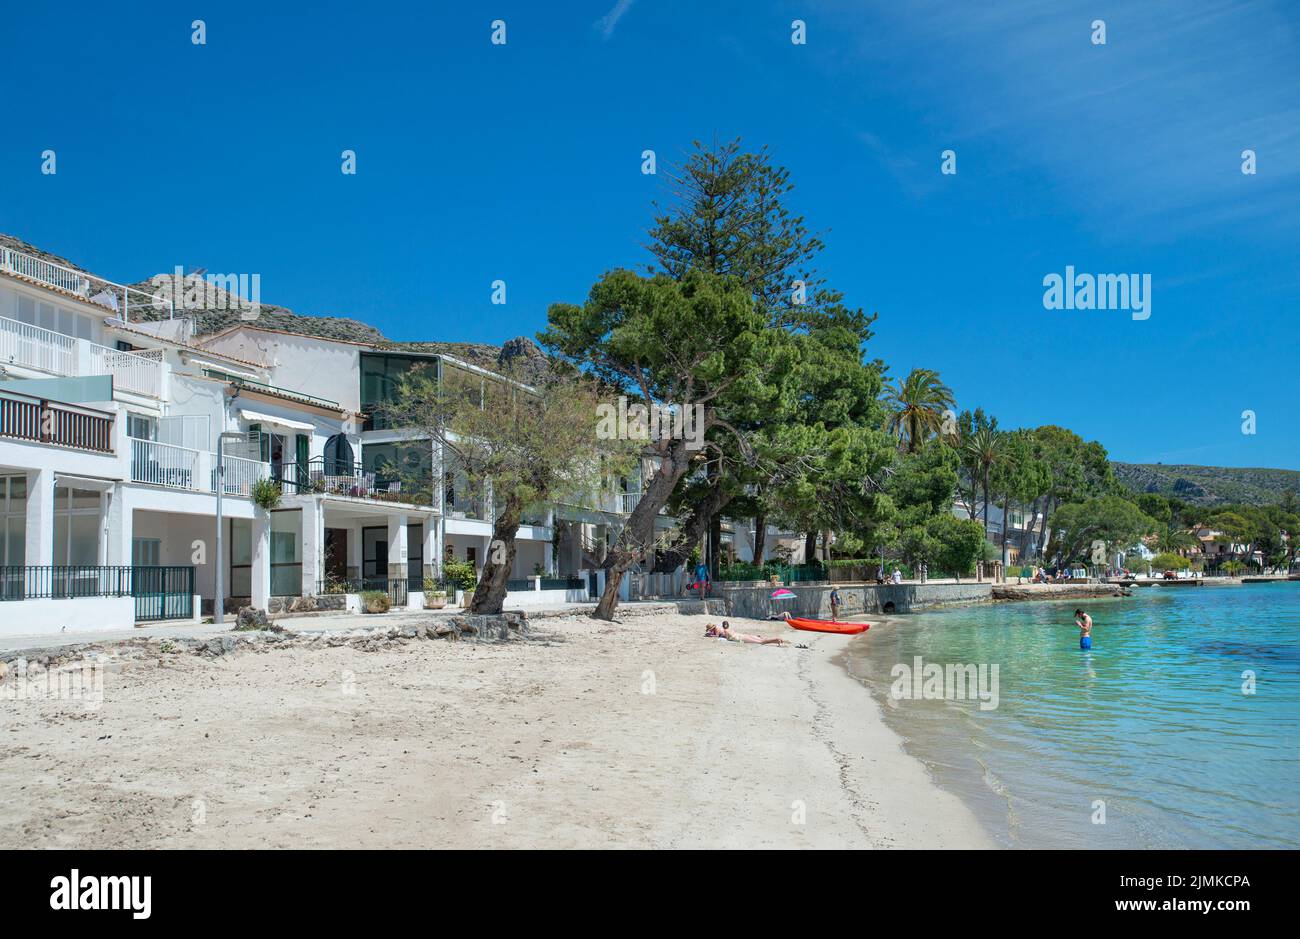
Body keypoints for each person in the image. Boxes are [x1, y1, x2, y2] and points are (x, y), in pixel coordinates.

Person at [705, 621, 788, 646]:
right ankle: (778, 640)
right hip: (741, 635)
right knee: (760, 639)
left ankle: (776, 640)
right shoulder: (729, 629)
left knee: (761, 642)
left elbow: (727, 638)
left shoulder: (724, 631)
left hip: (740, 638)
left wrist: (711, 635)